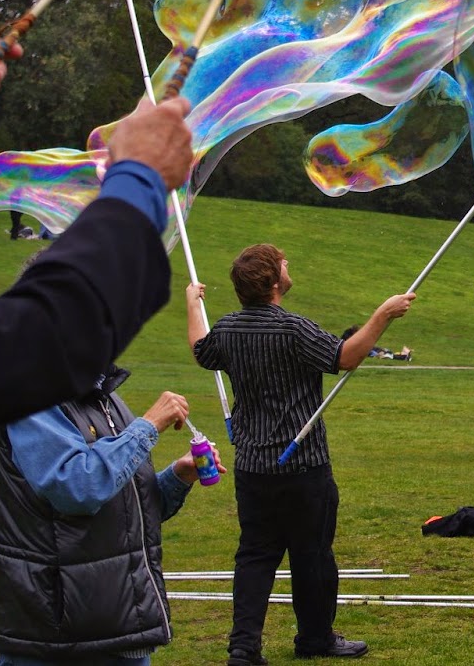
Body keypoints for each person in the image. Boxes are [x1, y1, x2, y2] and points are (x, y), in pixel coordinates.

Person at [0, 35, 195, 666]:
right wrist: (138, 181)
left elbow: (119, 503)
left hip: (112, 622)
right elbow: (46, 339)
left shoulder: (102, 395)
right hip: (61, 632)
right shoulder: (43, 390)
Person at [188, 252, 415, 665]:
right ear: (274, 282)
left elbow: (201, 352)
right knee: (311, 555)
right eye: (284, 264)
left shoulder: (227, 329)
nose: (289, 265)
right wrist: (383, 315)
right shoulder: (292, 328)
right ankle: (315, 639)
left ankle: (244, 648)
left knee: (254, 555)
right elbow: (344, 357)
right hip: (302, 468)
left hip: (252, 467)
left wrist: (192, 303)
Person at [0, 377, 217, 665]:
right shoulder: (30, 399)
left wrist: (177, 478)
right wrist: (148, 426)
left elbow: (129, 510)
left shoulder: (102, 396)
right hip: (56, 637)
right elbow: (78, 488)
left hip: (116, 625)